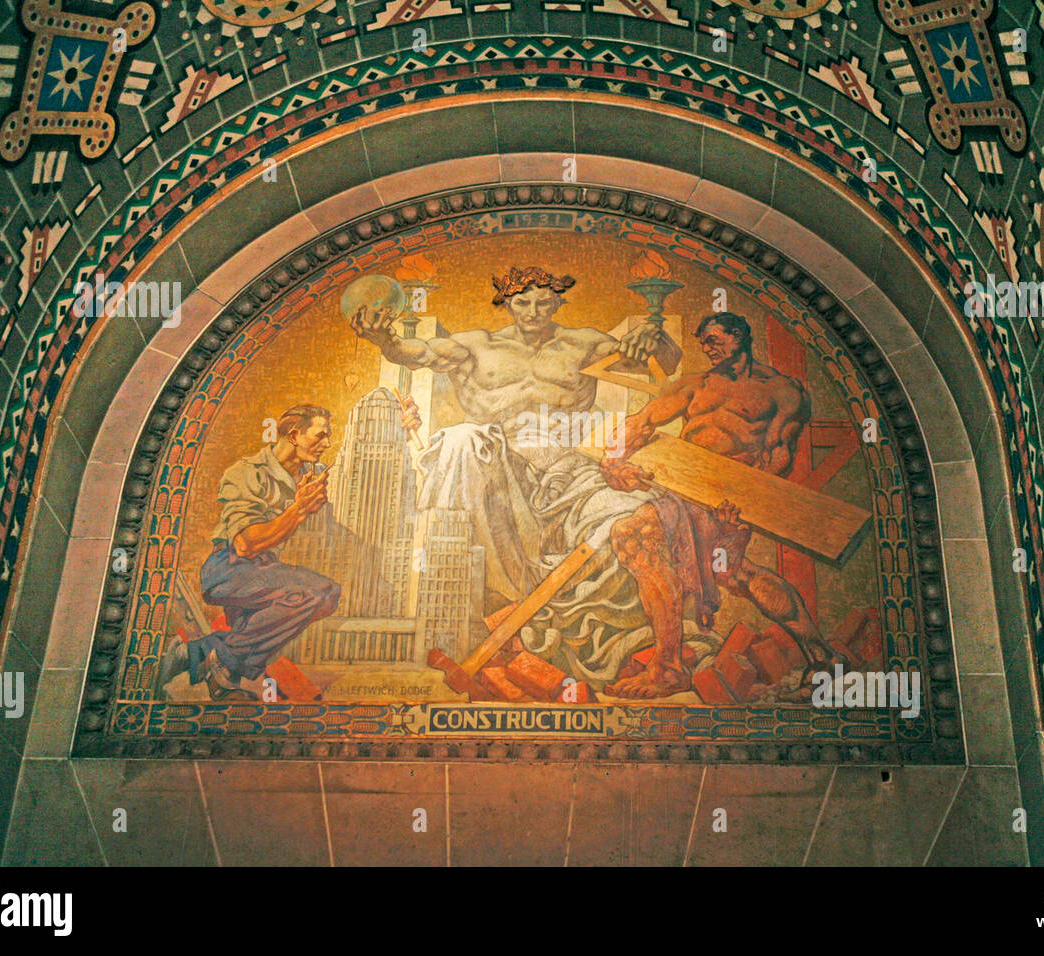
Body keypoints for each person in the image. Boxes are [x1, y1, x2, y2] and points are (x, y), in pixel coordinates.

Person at [352, 265, 681, 604]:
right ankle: (448, 580)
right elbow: (419, 353)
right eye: (523, 303)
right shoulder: (477, 347)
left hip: (571, 473)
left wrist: (654, 339)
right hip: (497, 474)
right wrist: (386, 341)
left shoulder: (584, 344)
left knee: (639, 516)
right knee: (461, 438)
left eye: (543, 303)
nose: (533, 313)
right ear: (506, 304)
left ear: (557, 303)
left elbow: (665, 366)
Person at [600, 312, 849, 698]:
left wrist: (743, 502)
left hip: (733, 499)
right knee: (643, 537)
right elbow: (643, 420)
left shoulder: (782, 391)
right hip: (682, 493)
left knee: (731, 573)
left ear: (741, 336)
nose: (709, 348)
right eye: (704, 343)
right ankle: (670, 668)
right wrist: (612, 460)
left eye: (716, 339)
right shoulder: (696, 385)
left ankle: (670, 669)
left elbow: (778, 456)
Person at [157, 404, 341, 700]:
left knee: (325, 594)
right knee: (318, 592)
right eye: (320, 436)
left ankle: (202, 662)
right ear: (294, 435)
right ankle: (215, 658)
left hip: (266, 573)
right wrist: (299, 509)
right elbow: (245, 543)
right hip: (230, 568)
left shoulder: (309, 474)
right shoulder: (247, 472)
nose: (327, 444)